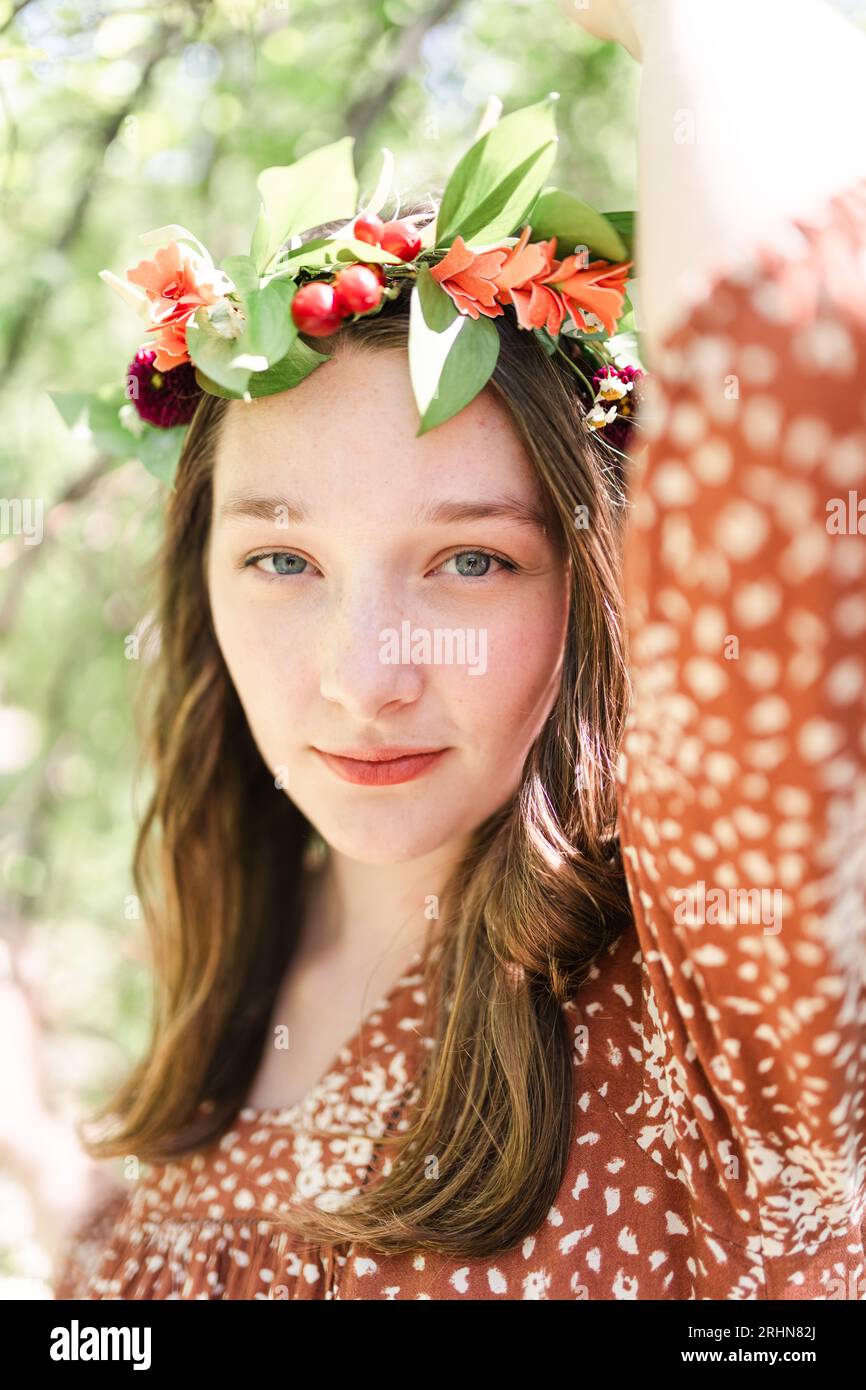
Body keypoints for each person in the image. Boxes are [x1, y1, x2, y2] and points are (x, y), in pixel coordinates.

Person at [53, 0, 866, 1299]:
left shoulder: (712, 992)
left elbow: (787, 474)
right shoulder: (188, 1061)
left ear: (594, 584)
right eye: (282, 561)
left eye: (469, 560)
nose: (361, 673)